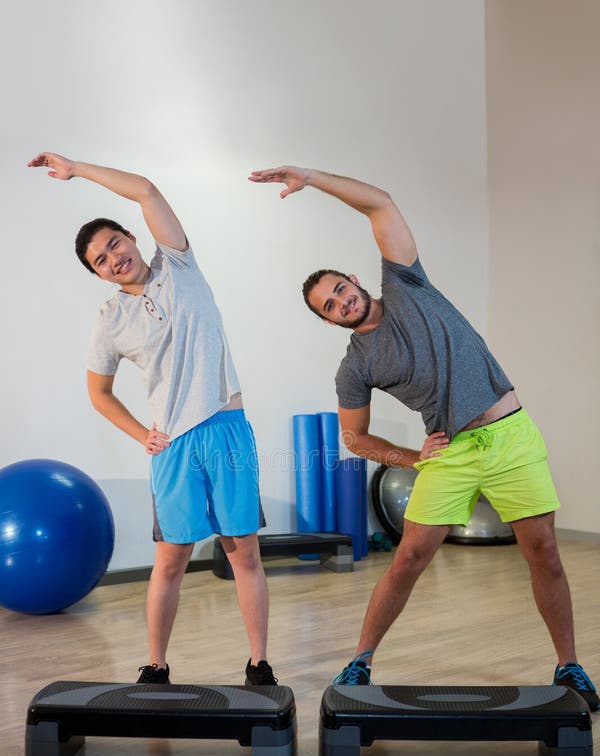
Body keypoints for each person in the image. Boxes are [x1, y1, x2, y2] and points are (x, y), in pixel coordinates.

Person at [249, 165, 598, 710]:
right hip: (450, 451)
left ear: (354, 280)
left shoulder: (406, 282)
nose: (341, 302)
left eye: (340, 289)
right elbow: (353, 438)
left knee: (545, 553)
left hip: (510, 434)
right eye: (329, 306)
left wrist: (313, 179)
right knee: (409, 557)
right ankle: (361, 659)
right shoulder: (353, 367)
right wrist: (410, 457)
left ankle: (570, 666)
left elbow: (381, 204)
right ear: (328, 320)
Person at [29, 152, 277, 687]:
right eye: (100, 260)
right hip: (174, 448)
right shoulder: (110, 319)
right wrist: (144, 434)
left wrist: (75, 169)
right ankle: (156, 665)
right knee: (170, 562)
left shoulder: (179, 265)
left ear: (133, 238)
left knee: (244, 554)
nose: (113, 257)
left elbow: (145, 189)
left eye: (115, 242)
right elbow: (99, 392)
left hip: (227, 428)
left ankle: (259, 663)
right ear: (98, 274)